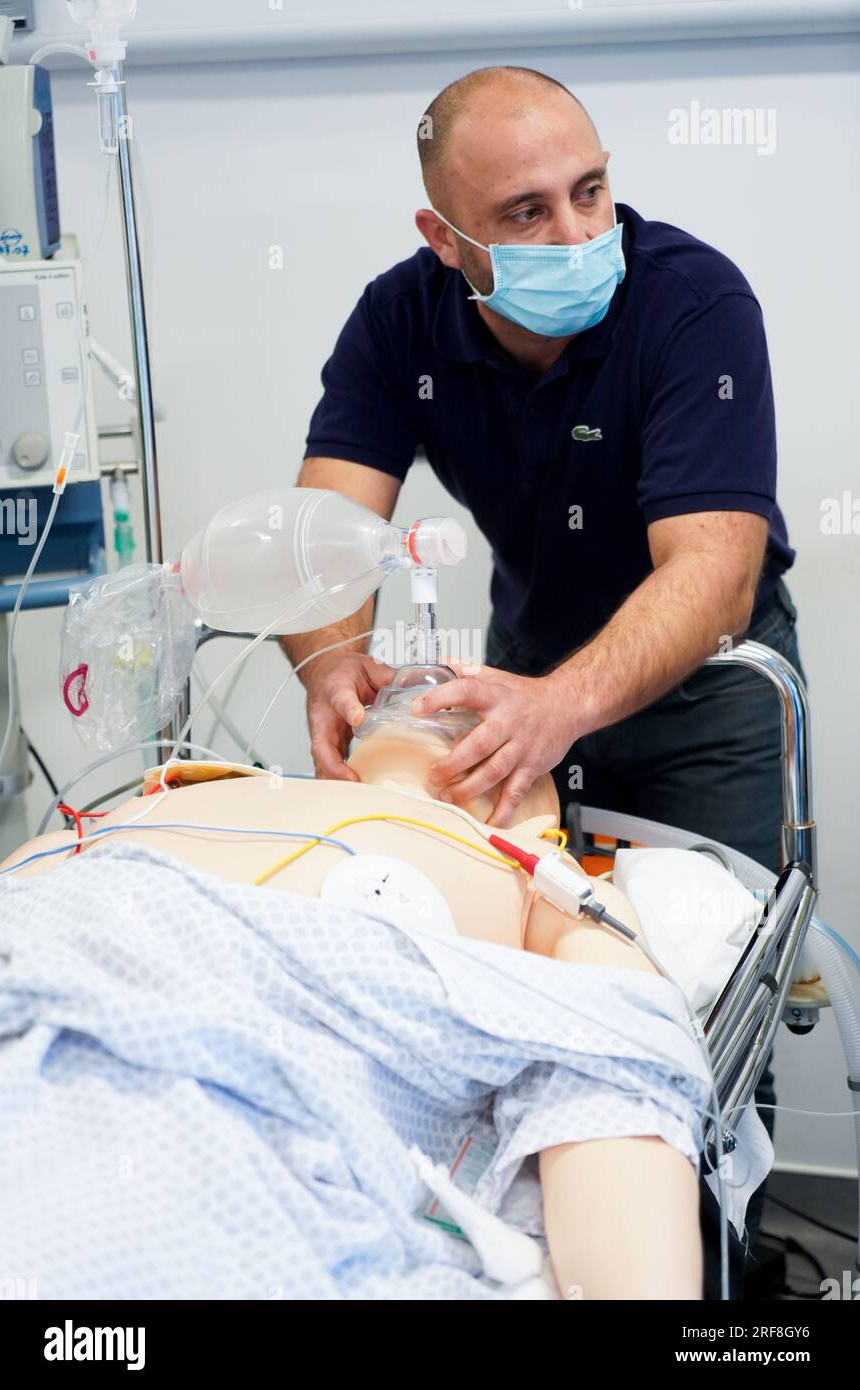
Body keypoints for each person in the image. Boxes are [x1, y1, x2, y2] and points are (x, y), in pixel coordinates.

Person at [281, 65, 803, 1296]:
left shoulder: (690, 303)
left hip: (703, 698)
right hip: (524, 688)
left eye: (591, 192)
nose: (577, 235)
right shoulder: (398, 323)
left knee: (697, 1030)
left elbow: (711, 570)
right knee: (516, 1006)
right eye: (524, 215)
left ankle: (728, 1272)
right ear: (443, 240)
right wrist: (327, 664)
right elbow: (323, 538)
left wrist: (558, 705)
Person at [0, 717, 707, 1300]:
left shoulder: (537, 882)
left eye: (480, 732)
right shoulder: (155, 801)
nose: (435, 704)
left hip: (226, 1096)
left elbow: (615, 1064)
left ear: (538, 819)